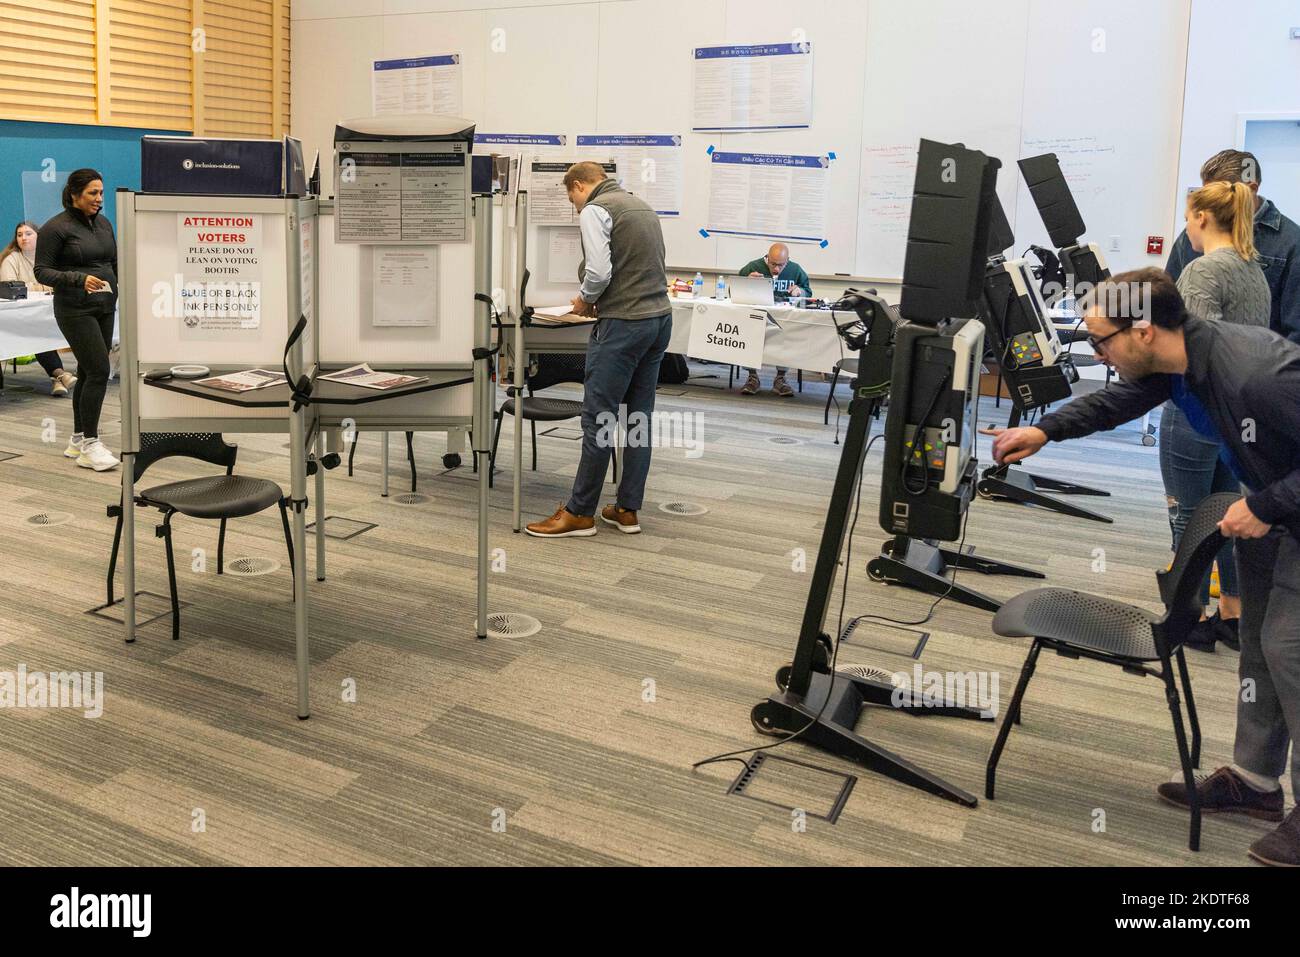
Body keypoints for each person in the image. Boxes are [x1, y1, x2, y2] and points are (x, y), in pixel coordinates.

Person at [984, 268, 1300, 867]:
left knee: (1291, 649)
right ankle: (1257, 785)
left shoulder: (1253, 372)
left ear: (1145, 331)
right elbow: (1120, 399)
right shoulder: (1179, 363)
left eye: (1102, 341)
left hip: (1280, 508)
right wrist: (1045, 428)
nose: (1099, 352)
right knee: (1261, 645)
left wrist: (1264, 505)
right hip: (1269, 512)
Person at [525, 162, 673, 538]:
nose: (574, 206)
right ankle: (627, 509)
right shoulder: (641, 206)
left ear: (578, 186)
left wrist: (584, 301)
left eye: (570, 197)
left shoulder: (596, 209)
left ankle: (579, 513)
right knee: (639, 417)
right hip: (659, 320)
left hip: (624, 324)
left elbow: (600, 271)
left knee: (599, 419)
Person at [1160, 180, 1271, 652]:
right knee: (1226, 512)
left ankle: (1188, 616)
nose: (1187, 228)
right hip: (1239, 414)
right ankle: (1231, 612)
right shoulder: (1254, 269)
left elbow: (1194, 352)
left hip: (1196, 413)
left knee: (1188, 515)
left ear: (1202, 219)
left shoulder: (1203, 271)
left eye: (1188, 218)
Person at [34, 168, 119, 471]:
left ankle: (77, 439)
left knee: (87, 372)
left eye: (101, 193)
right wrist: (77, 278)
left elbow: (113, 262)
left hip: (105, 306)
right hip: (74, 309)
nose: (99, 199)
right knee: (99, 371)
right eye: (92, 193)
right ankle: (91, 446)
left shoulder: (105, 224)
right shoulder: (55, 228)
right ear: (74, 195)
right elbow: (41, 271)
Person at [1167, 149, 1300, 342]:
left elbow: (1296, 330)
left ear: (1252, 188)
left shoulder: (1291, 242)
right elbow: (1166, 295)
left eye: (1223, 193)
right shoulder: (1192, 236)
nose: (1214, 202)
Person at [0, 220, 75, 397]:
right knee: (38, 332)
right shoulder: (12, 259)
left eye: (28, 234)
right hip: (17, 315)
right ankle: (60, 375)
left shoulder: (49, 258)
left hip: (42, 311)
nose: (23, 238)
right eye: (19, 235)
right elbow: (10, 286)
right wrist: (43, 286)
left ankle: (59, 378)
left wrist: (37, 285)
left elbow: (59, 280)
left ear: (38, 237)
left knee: (45, 330)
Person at [736, 243, 813, 397]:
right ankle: (752, 377)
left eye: (781, 265)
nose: (776, 269)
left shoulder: (795, 269)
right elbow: (734, 291)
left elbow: (808, 293)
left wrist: (800, 291)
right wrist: (747, 282)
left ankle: (781, 379)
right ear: (767, 258)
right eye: (773, 264)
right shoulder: (753, 267)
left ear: (787, 261)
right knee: (748, 335)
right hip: (757, 315)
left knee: (788, 336)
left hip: (784, 318)